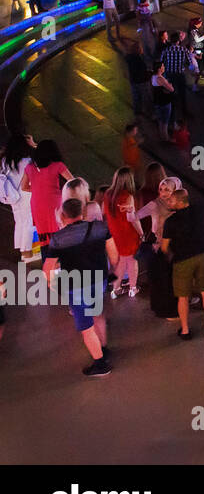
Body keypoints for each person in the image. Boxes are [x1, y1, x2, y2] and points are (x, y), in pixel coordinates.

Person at [44, 197, 113, 376]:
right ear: (82, 212)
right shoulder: (99, 228)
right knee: (97, 314)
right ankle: (104, 348)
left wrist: (53, 284)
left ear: (63, 215)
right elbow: (114, 255)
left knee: (86, 327)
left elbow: (47, 269)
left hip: (76, 287)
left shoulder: (58, 239)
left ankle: (100, 365)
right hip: (99, 280)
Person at [161, 188, 204, 339]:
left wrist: (171, 255)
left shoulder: (170, 222)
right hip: (203, 256)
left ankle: (185, 330)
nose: (168, 202)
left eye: (171, 200)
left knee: (183, 297)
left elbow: (164, 247)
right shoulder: (201, 209)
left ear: (180, 202)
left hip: (182, 261)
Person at [102, 167, 143, 299]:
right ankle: (132, 288)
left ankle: (116, 288)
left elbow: (104, 213)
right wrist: (141, 233)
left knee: (121, 261)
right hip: (128, 232)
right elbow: (132, 219)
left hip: (115, 232)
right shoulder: (128, 196)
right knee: (131, 260)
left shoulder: (108, 194)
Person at [0, 134, 36, 262]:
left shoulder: (6, 161)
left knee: (20, 222)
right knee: (28, 222)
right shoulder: (27, 161)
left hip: (13, 195)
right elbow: (42, 160)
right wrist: (34, 145)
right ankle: (27, 254)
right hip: (26, 194)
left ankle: (22, 251)